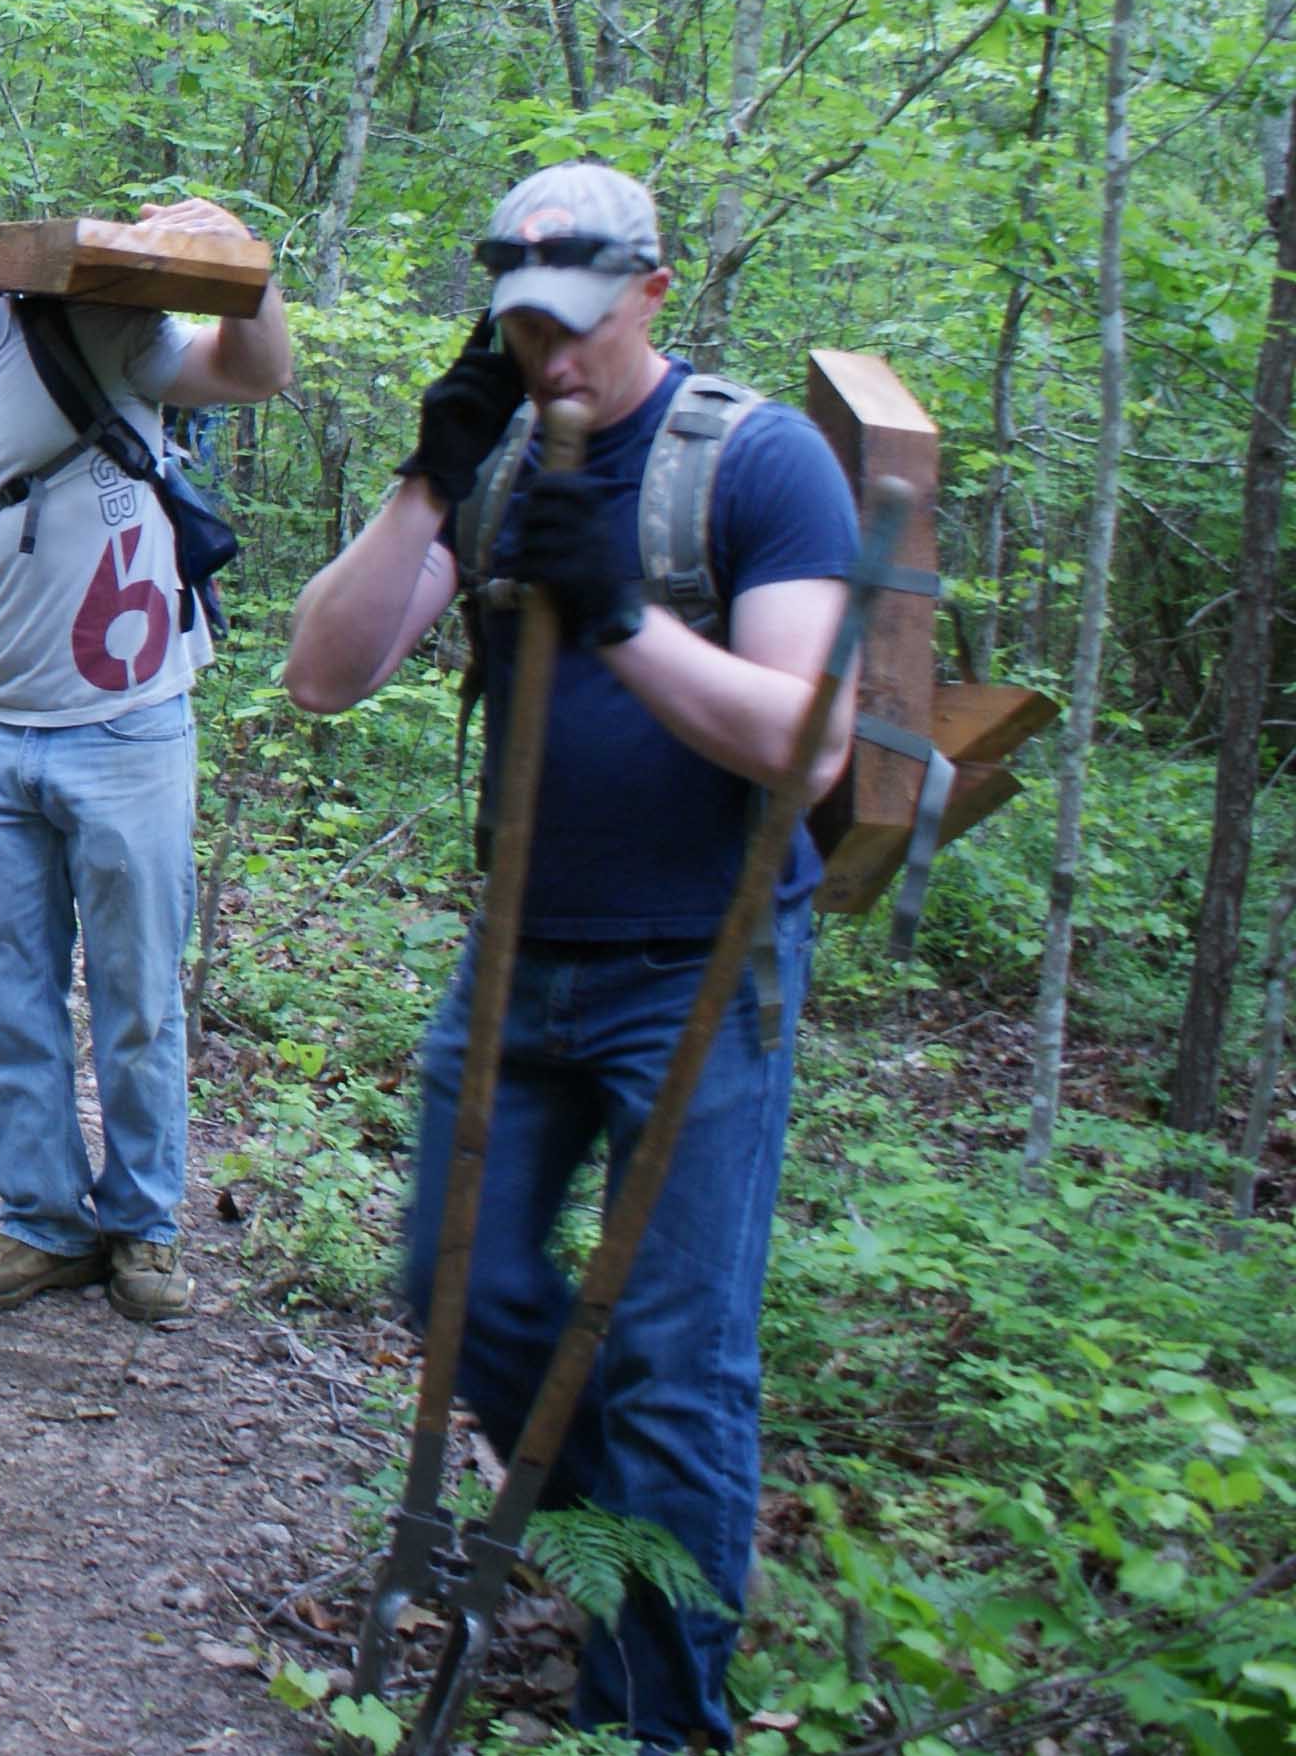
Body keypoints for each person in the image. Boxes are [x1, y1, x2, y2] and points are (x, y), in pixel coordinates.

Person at [281, 162, 860, 1753]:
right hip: (516, 955)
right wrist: (428, 480)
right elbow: (323, 673)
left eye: (582, 321)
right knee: (454, 1283)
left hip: (704, 971)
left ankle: (654, 1716)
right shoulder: (498, 467)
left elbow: (805, 743)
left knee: (677, 1362)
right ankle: (627, 1539)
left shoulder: (756, 462)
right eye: (525, 326)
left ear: (654, 293)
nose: (553, 356)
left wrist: (618, 612)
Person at [0, 193, 291, 1322]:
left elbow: (253, 374)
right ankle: (43, 1224)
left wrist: (241, 265)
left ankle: (144, 1228)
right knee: (11, 999)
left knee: (138, 996)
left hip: (130, 723)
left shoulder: (87, 330)